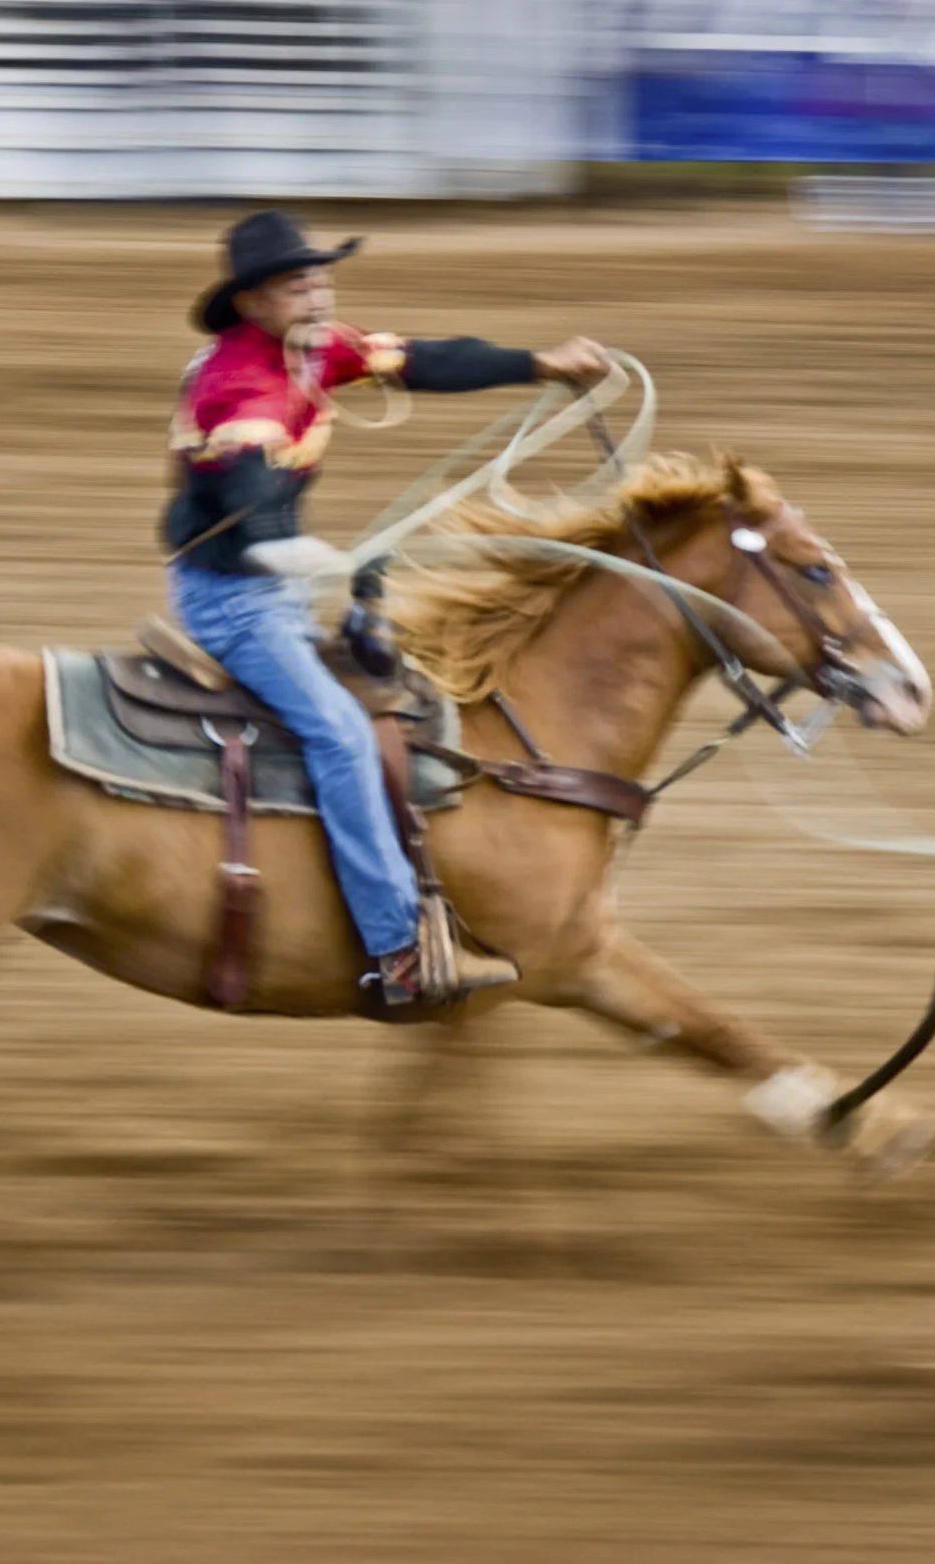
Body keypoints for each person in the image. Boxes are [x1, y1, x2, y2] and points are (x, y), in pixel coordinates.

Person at [162, 210, 609, 1017]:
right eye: (301, 281)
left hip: (273, 586)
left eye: (323, 275)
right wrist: (281, 548)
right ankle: (400, 947)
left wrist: (540, 364)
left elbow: (422, 359)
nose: (320, 289)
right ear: (255, 300)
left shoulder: (309, 347)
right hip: (234, 601)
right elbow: (247, 488)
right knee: (337, 731)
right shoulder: (243, 383)